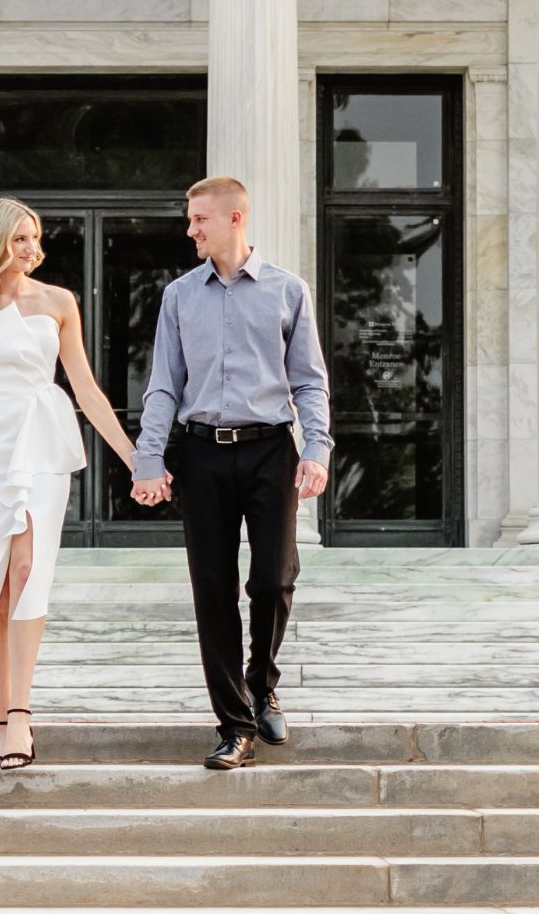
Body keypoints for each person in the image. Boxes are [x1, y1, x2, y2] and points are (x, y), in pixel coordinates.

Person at [129, 176, 333, 770]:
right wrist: (150, 459)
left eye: (199, 220)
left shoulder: (287, 291)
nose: (190, 229)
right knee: (212, 590)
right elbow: (164, 384)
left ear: (235, 219)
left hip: (272, 449)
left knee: (273, 579)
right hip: (202, 454)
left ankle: (262, 681)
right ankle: (235, 724)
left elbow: (310, 381)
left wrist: (316, 449)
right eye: (190, 219)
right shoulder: (179, 296)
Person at [0, 198, 135, 771]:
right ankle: (0, 716)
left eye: (34, 238)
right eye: (19, 238)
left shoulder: (58, 302)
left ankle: (20, 713)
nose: (30, 249)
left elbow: (87, 389)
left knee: (27, 569)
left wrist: (134, 457)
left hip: (42, 441)